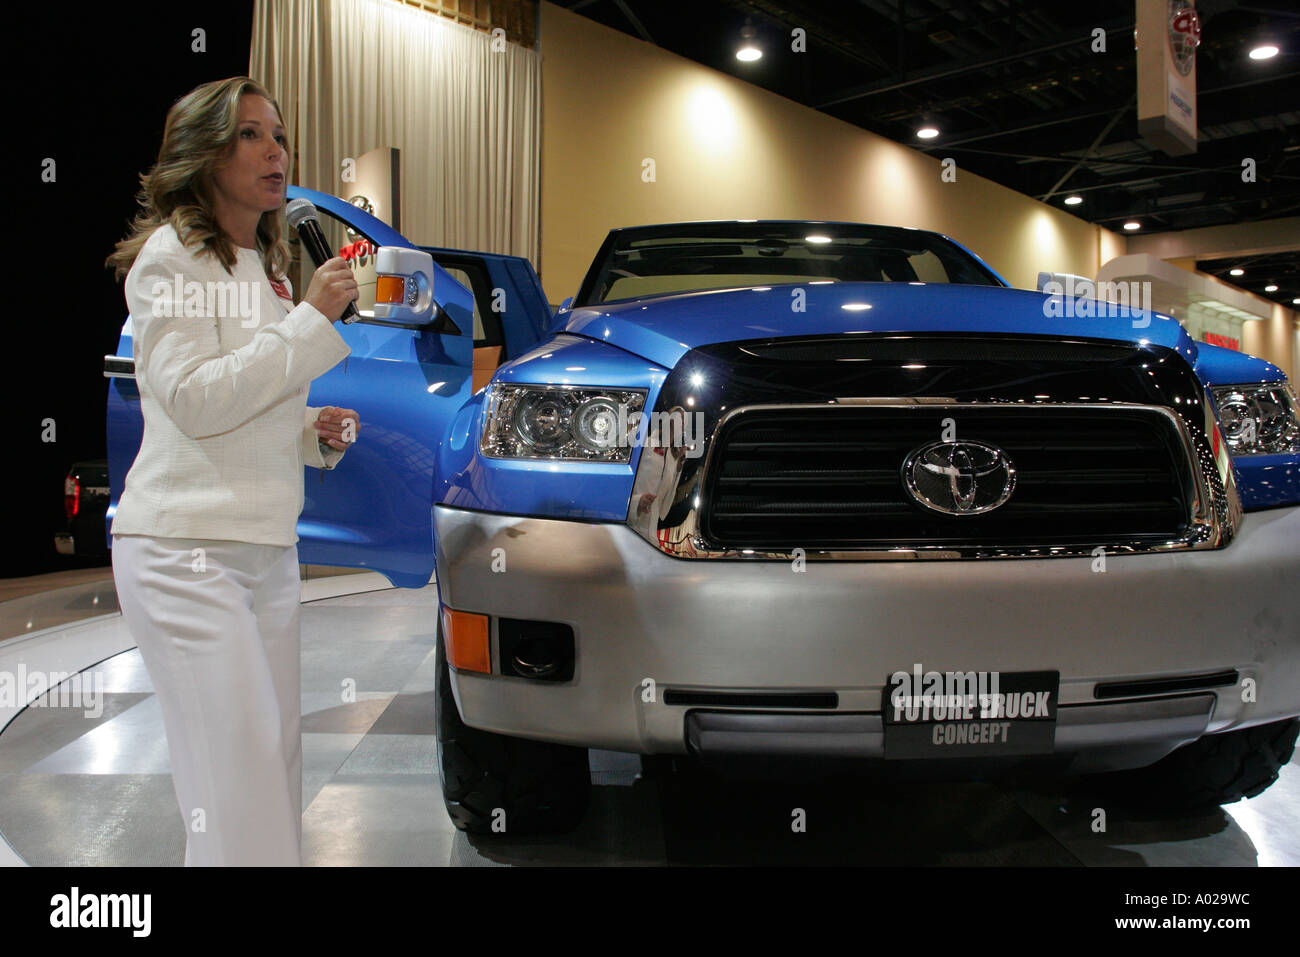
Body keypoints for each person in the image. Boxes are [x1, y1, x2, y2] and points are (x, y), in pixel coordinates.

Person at [105, 76, 362, 866]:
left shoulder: (267, 267)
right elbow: (196, 399)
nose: (274, 150)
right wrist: (312, 322)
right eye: (251, 134)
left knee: (265, 772)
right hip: (186, 552)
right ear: (204, 153)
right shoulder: (168, 259)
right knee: (240, 771)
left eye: (278, 135)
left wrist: (311, 434)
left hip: (264, 551)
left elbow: (253, 399)